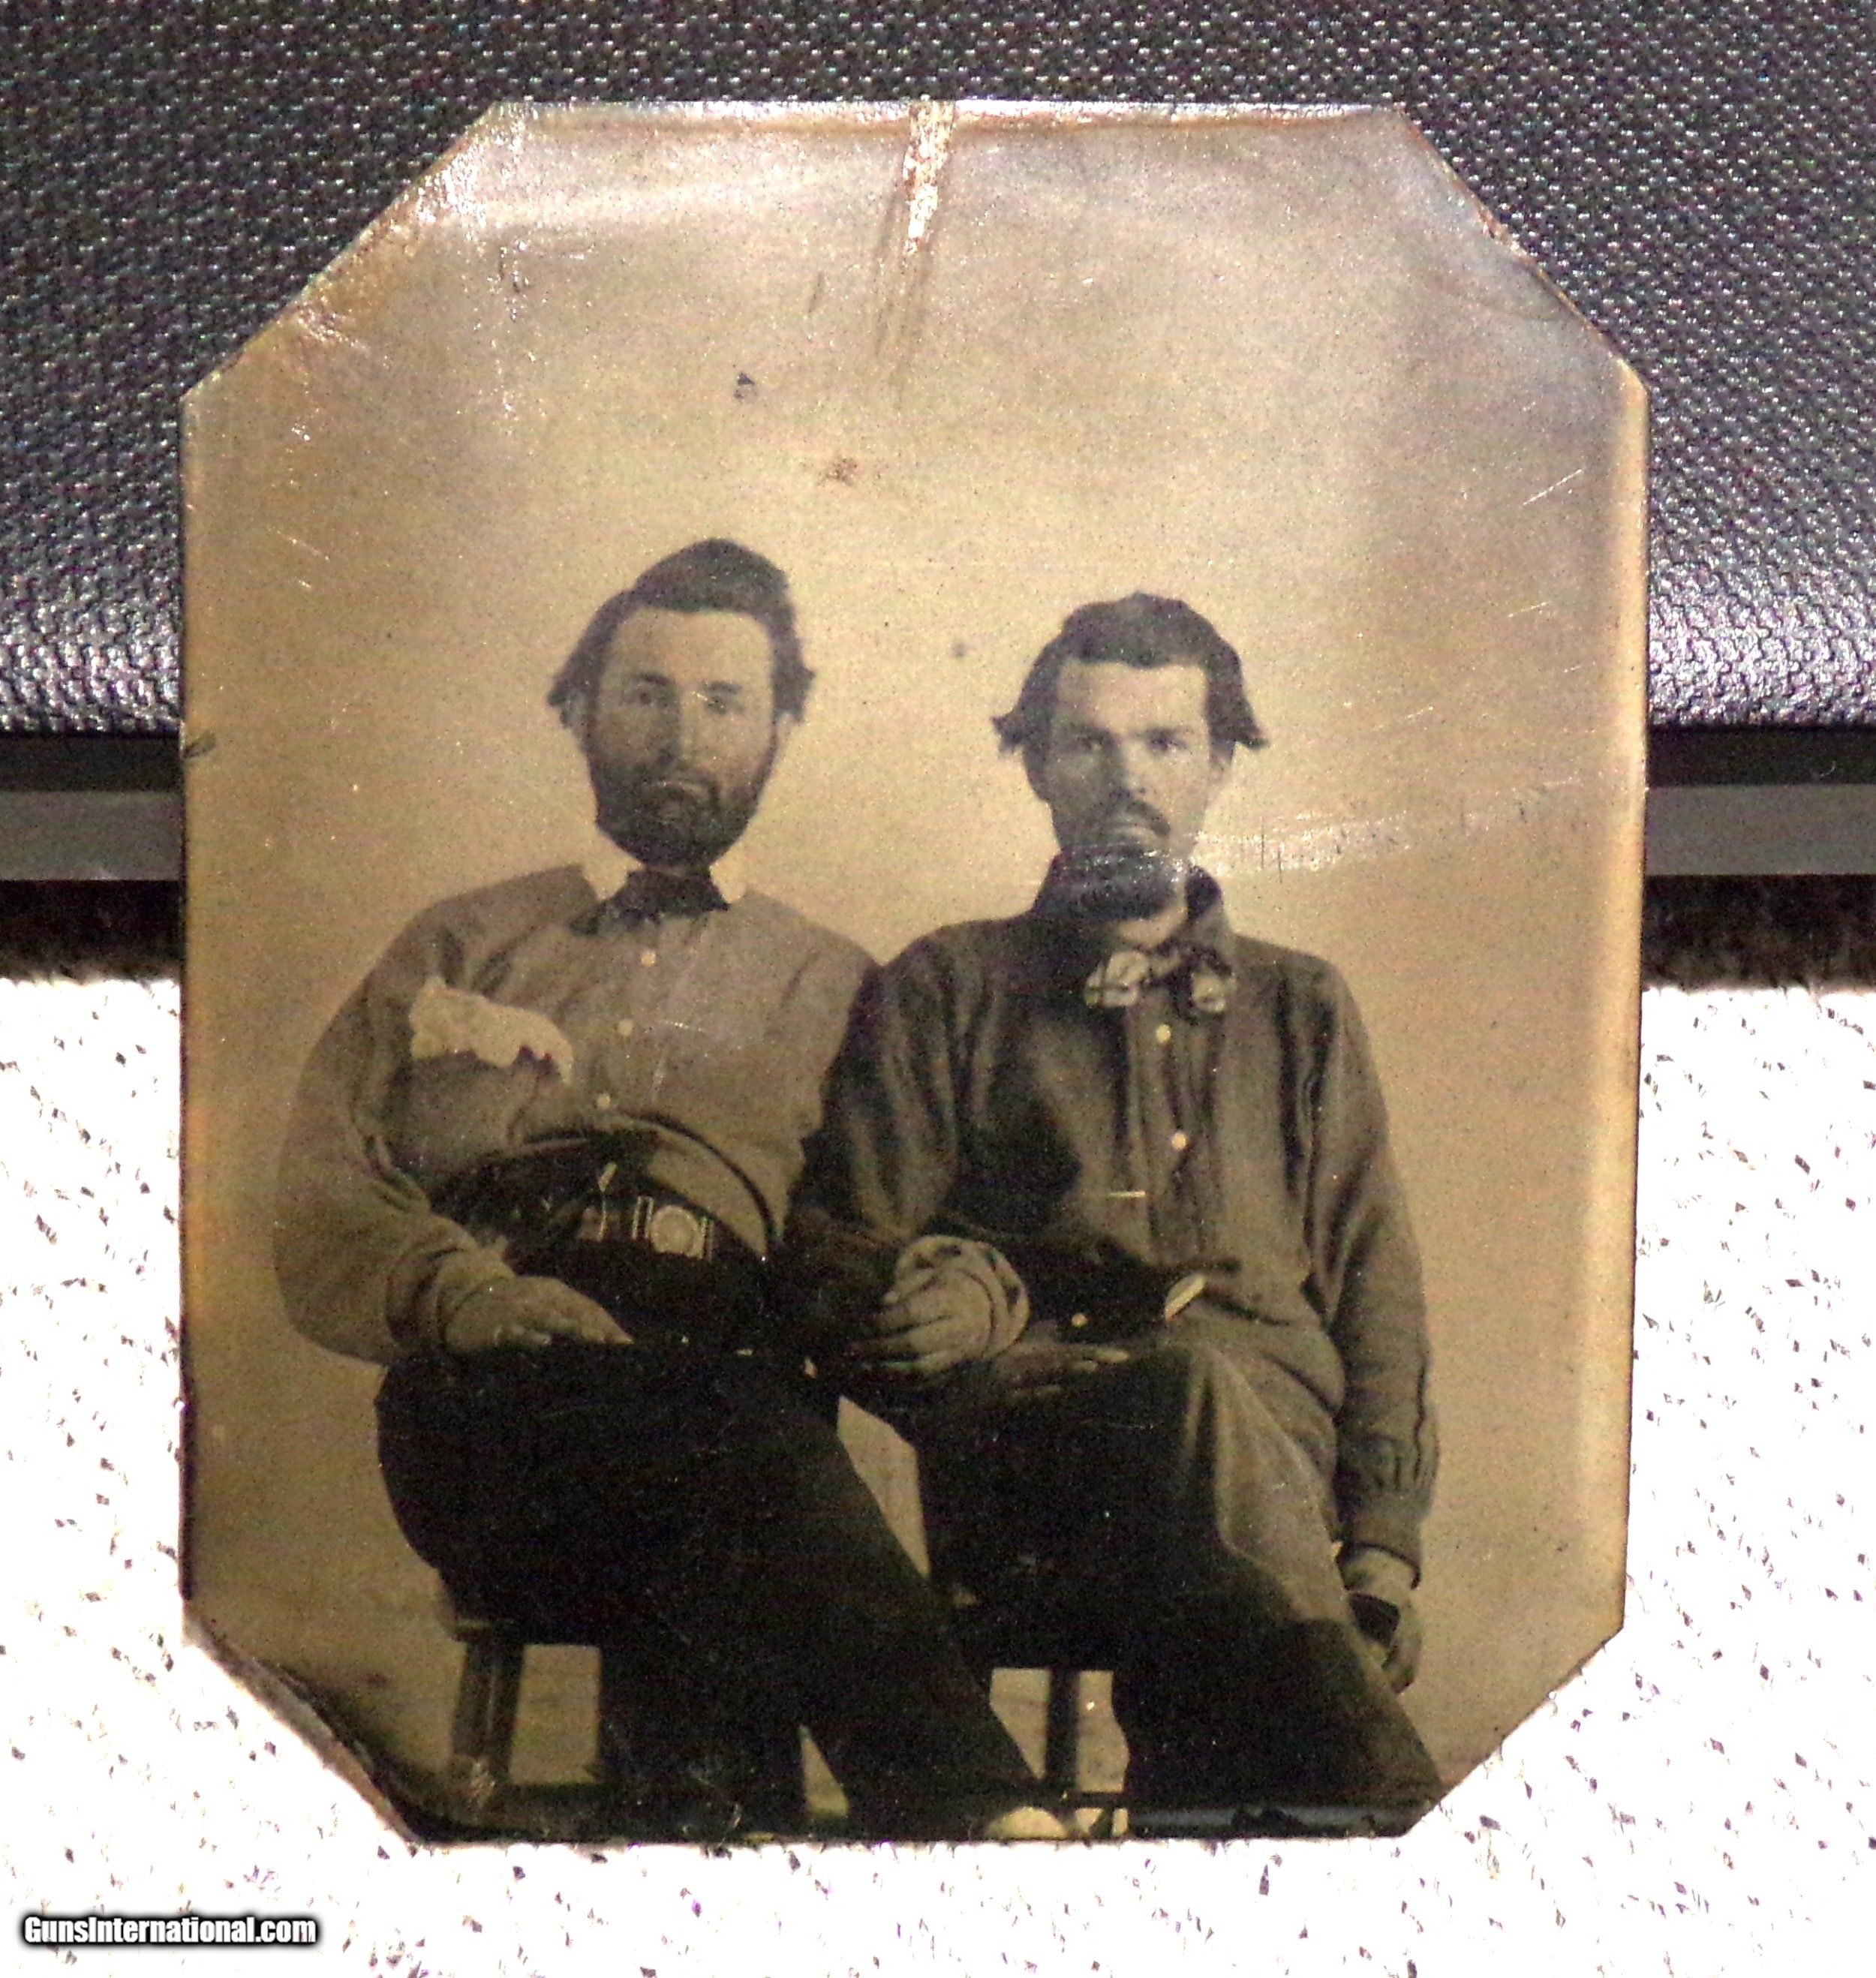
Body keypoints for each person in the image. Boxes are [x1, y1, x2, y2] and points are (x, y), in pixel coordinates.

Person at [273, 539, 1053, 1841]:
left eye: (724, 702)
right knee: (731, 1449)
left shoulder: (841, 986)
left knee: (716, 1461)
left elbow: (924, 1226)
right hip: (493, 1422)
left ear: (785, 726)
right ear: (578, 707)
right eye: (643, 693)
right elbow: (319, 1192)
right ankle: (971, 1812)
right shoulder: (460, 941)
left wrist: (962, 1282)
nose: (679, 735)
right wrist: (465, 1297)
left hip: (727, 1408)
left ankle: (713, 1851)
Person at [786, 591, 1444, 1826]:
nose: (1125, 779)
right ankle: (1385, 1812)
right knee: (1184, 1385)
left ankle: (1223, 1832)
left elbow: (1375, 1287)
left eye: (1165, 744)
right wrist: (956, 1291)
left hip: (1287, 1480)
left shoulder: (1302, 1009)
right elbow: (833, 1257)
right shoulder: (947, 986)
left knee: (1218, 1413)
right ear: (1036, 762)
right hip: (1043, 1476)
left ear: (1220, 765)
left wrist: (1385, 1546)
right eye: (1089, 743)